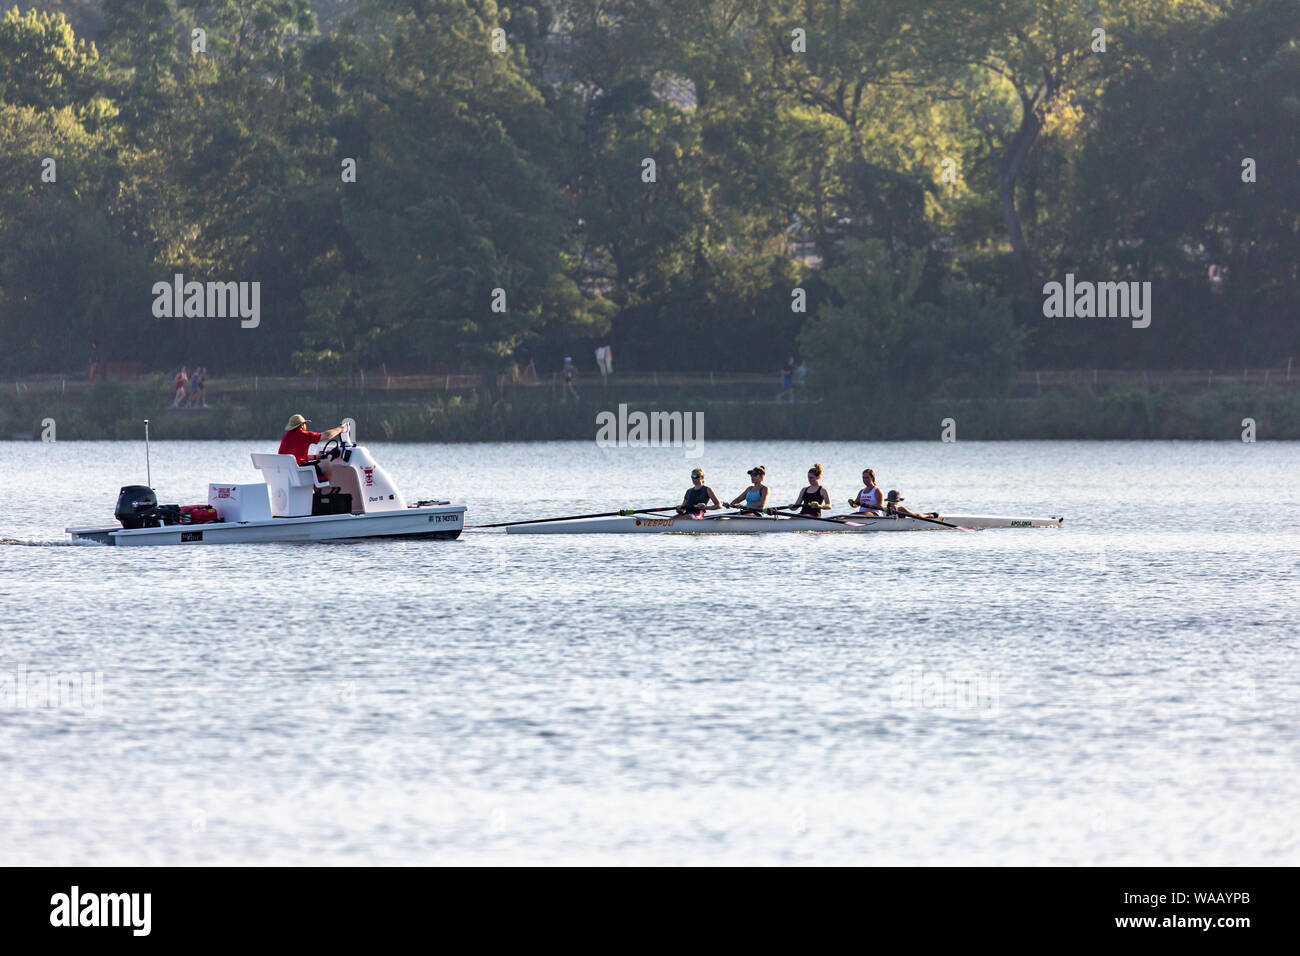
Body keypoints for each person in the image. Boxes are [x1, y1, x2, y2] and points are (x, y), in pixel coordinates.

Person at [278, 414, 349, 467]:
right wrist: (341, 429)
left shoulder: (286, 437)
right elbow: (327, 435)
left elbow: (298, 457)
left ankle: (318, 486)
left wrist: (318, 457)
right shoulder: (304, 435)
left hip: (288, 471)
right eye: (305, 423)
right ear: (302, 425)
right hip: (298, 471)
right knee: (326, 465)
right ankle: (325, 487)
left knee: (320, 463)